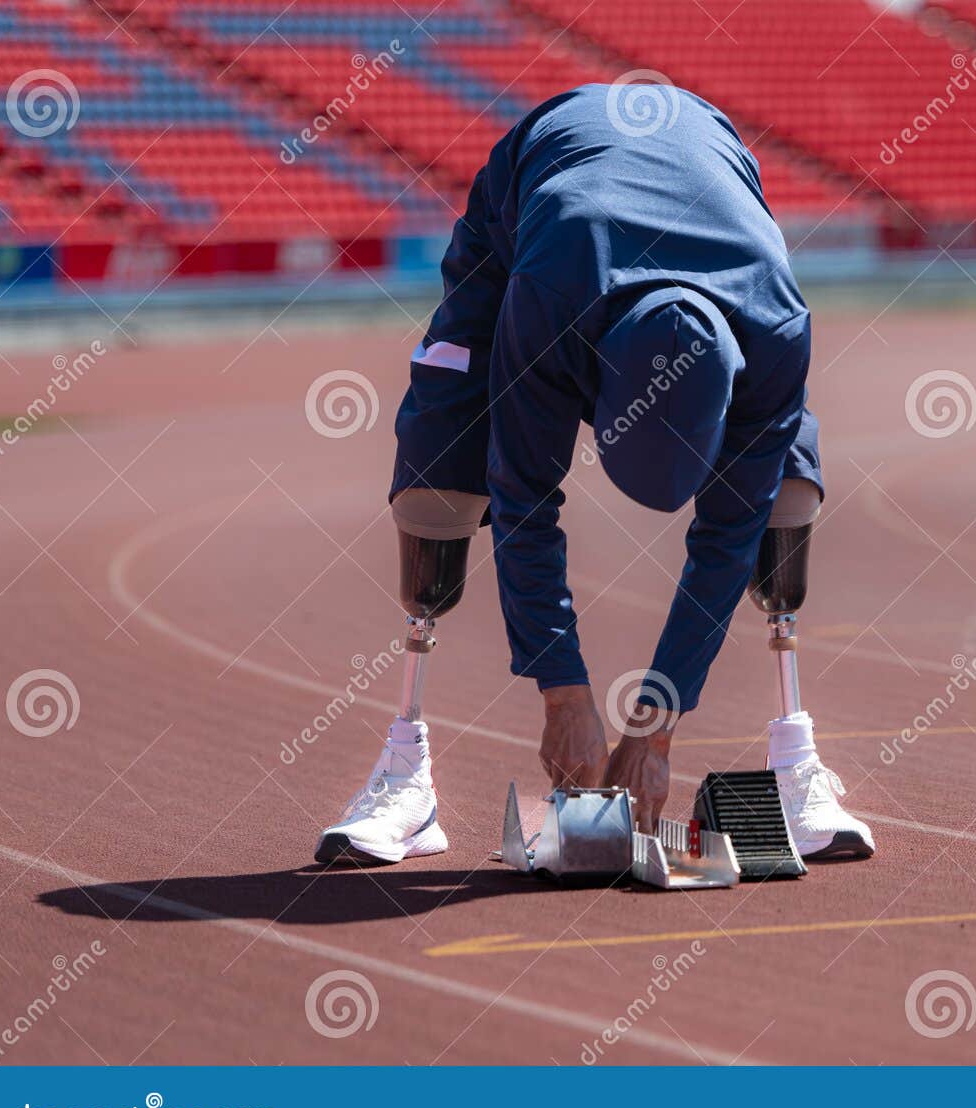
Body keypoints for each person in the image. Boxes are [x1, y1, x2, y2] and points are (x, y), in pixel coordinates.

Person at [313, 84, 875, 867]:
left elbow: (727, 537)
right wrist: (563, 692)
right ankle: (405, 777)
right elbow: (523, 498)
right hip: (540, 206)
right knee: (437, 493)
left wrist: (656, 723)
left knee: (784, 497)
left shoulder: (774, 328)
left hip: (711, 179)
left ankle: (794, 763)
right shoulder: (545, 300)